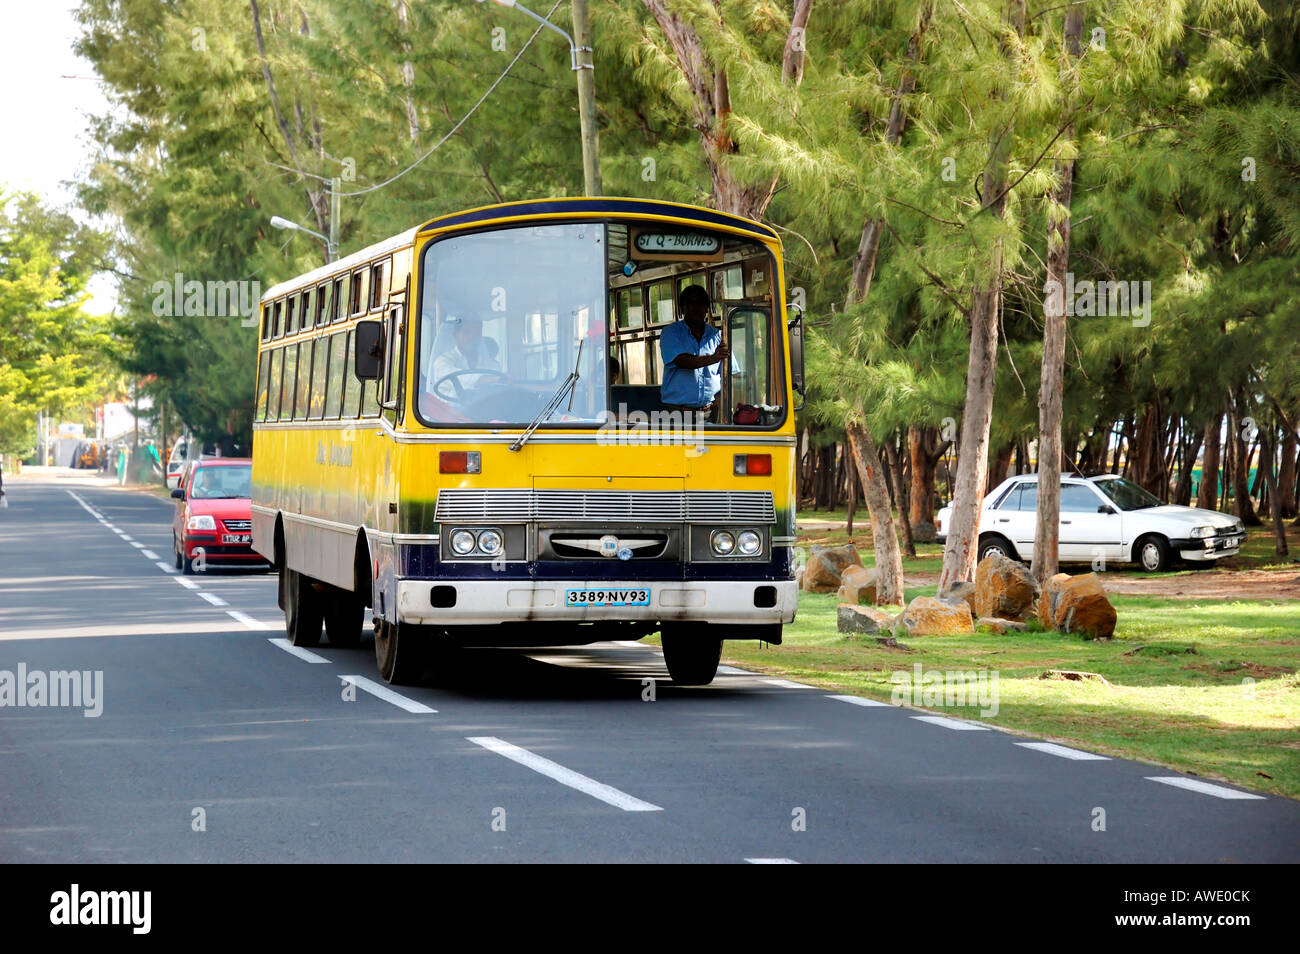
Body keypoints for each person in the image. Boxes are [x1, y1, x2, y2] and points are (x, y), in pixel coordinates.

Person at [658, 284, 731, 415]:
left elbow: (729, 374)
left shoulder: (718, 336)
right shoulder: (671, 333)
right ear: (682, 308)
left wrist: (722, 408)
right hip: (677, 413)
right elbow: (682, 360)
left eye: (700, 303)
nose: (695, 308)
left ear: (707, 308)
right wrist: (713, 358)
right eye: (690, 303)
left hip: (709, 413)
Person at [428, 316, 501, 397]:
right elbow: (458, 378)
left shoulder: (490, 363)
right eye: (466, 332)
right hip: (448, 409)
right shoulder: (442, 361)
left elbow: (498, 386)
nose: (472, 337)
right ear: (456, 335)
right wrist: (491, 379)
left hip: (483, 408)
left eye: (477, 333)